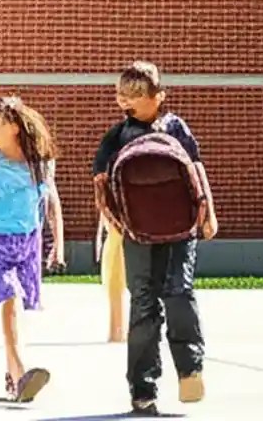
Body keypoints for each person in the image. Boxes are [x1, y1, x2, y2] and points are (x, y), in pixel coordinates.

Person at [91, 61, 216, 416]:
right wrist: (113, 223)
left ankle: (190, 369)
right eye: (119, 94)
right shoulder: (116, 136)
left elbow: (196, 167)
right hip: (138, 231)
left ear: (159, 96)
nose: (124, 101)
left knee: (178, 291)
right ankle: (142, 388)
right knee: (144, 305)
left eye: (134, 95)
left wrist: (209, 213)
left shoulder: (176, 127)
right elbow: (101, 184)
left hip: (181, 228)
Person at [0, 96, 64, 404]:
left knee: (15, 305)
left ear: (15, 127)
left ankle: (13, 378)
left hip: (28, 241)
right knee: (10, 299)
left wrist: (57, 243)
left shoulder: (40, 163)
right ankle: (20, 373)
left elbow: (51, 202)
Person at [97, 214, 128, 343]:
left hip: (118, 244)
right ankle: (116, 330)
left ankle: (118, 331)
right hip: (114, 242)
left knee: (116, 288)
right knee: (114, 289)